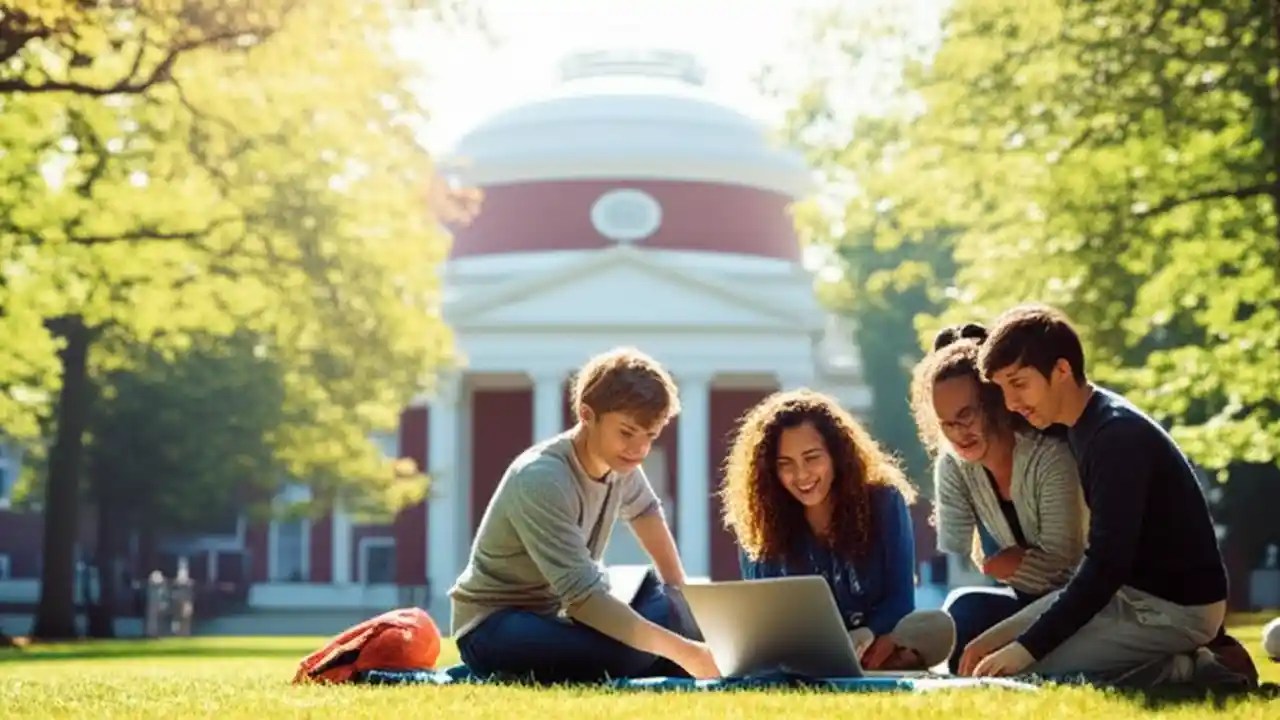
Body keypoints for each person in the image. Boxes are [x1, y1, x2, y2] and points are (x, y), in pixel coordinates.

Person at [961, 304, 1256, 686]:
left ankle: (1191, 671)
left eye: (1018, 384)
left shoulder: (1115, 437)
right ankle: (1167, 664)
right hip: (1128, 595)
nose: (1012, 403)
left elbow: (1106, 565)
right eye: (1002, 389)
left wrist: (1027, 648)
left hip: (1176, 609)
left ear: (1062, 370)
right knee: (982, 654)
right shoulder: (1077, 423)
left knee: (1021, 675)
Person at [449, 347, 718, 683]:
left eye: (650, 436)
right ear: (587, 415)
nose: (639, 450)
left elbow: (646, 510)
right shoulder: (542, 478)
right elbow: (584, 601)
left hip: (556, 614)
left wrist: (681, 595)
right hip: (494, 626)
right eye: (627, 432)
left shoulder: (621, 463)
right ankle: (660, 657)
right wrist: (687, 651)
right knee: (629, 653)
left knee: (666, 605)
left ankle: (657, 651)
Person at [720, 388, 955, 671]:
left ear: (837, 455)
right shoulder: (760, 518)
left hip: (873, 644)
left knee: (936, 629)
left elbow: (900, 599)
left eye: (812, 458)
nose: (802, 475)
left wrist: (869, 633)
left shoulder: (884, 502)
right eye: (786, 464)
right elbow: (761, 613)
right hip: (797, 654)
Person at [909, 322, 1087, 674]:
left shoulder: (1049, 457)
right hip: (1027, 602)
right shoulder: (954, 464)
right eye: (946, 424)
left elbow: (1066, 568)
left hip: (1083, 601)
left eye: (967, 415)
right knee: (964, 609)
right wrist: (1008, 561)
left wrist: (1011, 562)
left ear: (995, 403)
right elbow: (969, 554)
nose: (959, 433)